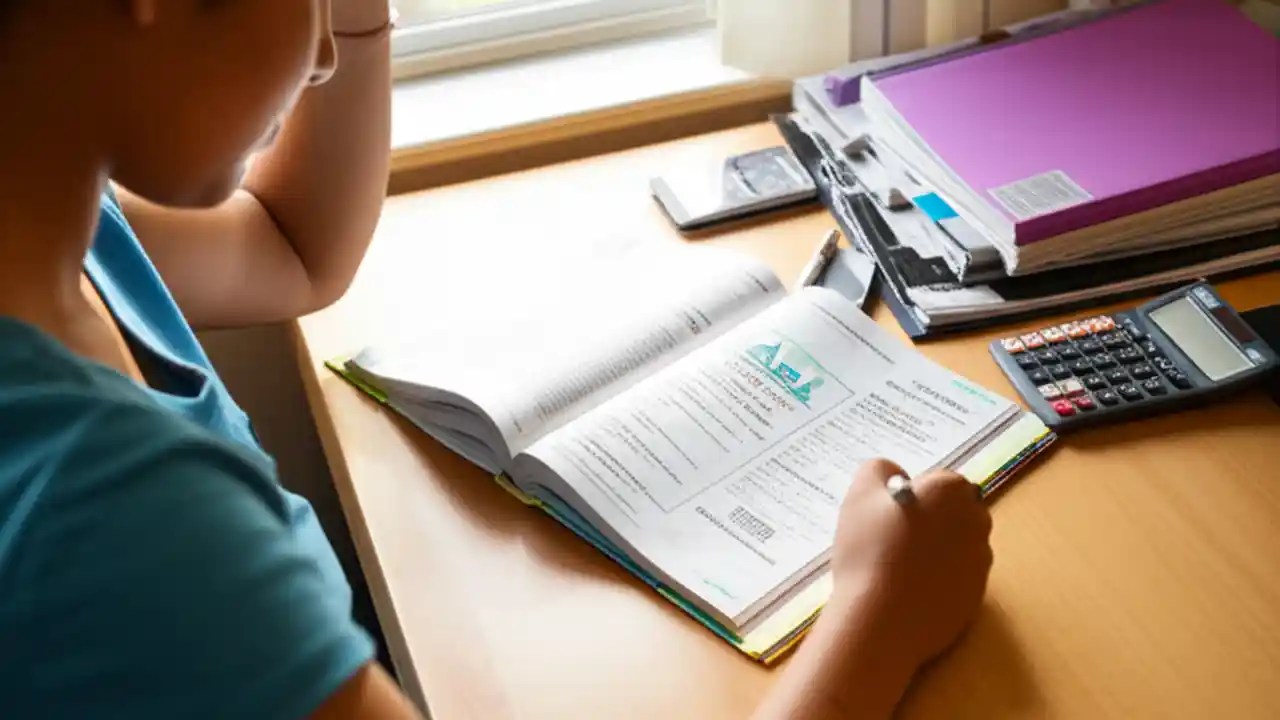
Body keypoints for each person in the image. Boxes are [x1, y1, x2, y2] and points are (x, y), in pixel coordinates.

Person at [0, 2, 993, 718]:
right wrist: (876, 620)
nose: (319, 55)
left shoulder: (61, 221)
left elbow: (294, 246)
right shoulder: (117, 513)